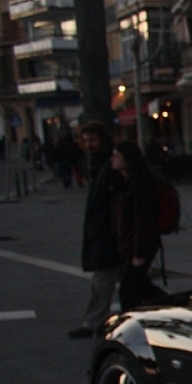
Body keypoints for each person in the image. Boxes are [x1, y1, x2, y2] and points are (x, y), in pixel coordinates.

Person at [68, 123, 121, 338]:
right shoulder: (96, 164)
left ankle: (94, 322)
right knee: (108, 280)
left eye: (93, 140)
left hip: (110, 234)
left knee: (103, 280)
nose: (88, 145)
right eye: (86, 141)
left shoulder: (110, 165)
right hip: (103, 232)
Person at [110, 141, 165, 312]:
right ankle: (172, 306)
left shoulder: (138, 185)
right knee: (139, 287)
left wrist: (139, 252)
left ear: (127, 160)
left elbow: (143, 220)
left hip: (138, 245)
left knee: (129, 290)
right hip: (129, 244)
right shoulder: (124, 183)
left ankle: (132, 324)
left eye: (117, 155)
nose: (112, 159)